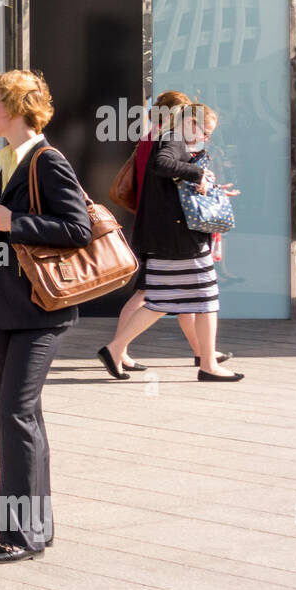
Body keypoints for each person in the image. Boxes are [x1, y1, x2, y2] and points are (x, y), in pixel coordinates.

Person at [0, 70, 92, 564]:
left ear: (18, 107)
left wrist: (11, 222)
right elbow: (14, 239)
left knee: (15, 413)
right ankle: (35, 527)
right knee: (23, 415)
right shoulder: (10, 161)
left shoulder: (47, 161)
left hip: (41, 311)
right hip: (10, 309)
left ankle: (18, 534)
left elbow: (76, 228)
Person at [102, 102, 243, 382]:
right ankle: (207, 364)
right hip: (177, 240)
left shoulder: (169, 139)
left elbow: (171, 181)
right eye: (205, 131)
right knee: (203, 298)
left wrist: (207, 182)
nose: (206, 138)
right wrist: (198, 173)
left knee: (163, 300)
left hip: (167, 239)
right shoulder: (173, 139)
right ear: (190, 123)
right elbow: (162, 164)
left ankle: (116, 348)